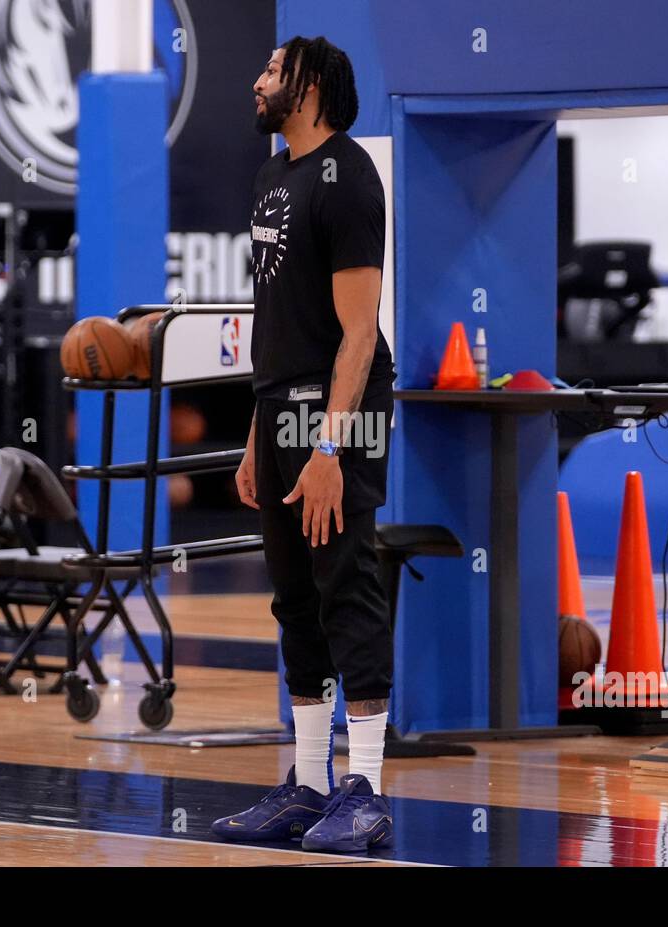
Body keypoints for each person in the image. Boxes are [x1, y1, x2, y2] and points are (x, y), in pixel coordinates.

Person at [211, 36, 397, 853]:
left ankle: (368, 790)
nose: (257, 80)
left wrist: (330, 449)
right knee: (294, 597)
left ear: (310, 85)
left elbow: (359, 335)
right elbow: (274, 330)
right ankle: (312, 783)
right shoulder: (271, 176)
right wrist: (259, 434)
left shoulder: (349, 177)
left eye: (273, 70)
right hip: (279, 407)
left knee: (346, 585)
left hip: (337, 411)